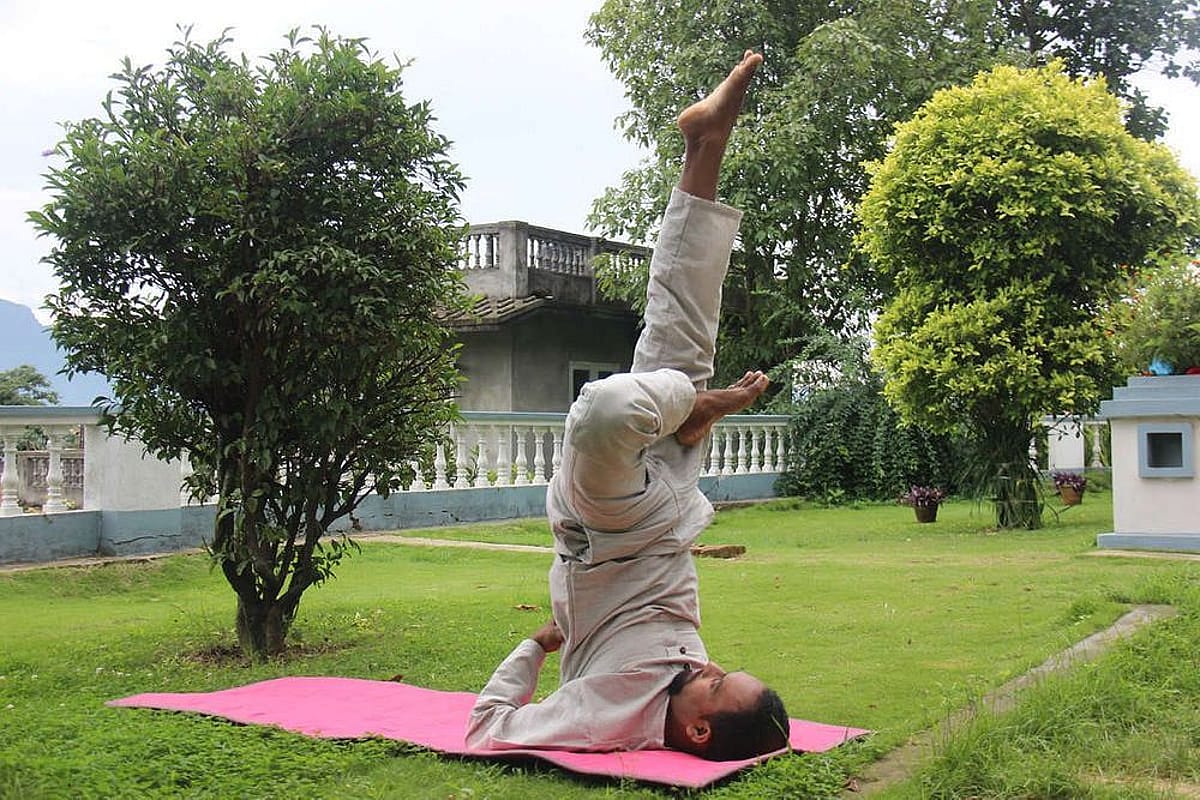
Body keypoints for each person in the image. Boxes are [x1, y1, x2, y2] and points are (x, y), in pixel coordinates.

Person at [466, 50, 789, 762]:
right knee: (682, 317)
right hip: (666, 519)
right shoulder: (687, 684)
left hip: (605, 534)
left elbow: (488, 730)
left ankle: (690, 406)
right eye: (721, 669)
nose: (709, 665)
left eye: (716, 683)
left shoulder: (602, 719)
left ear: (696, 731)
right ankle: (707, 144)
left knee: (602, 414)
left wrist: (535, 645)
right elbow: (680, 310)